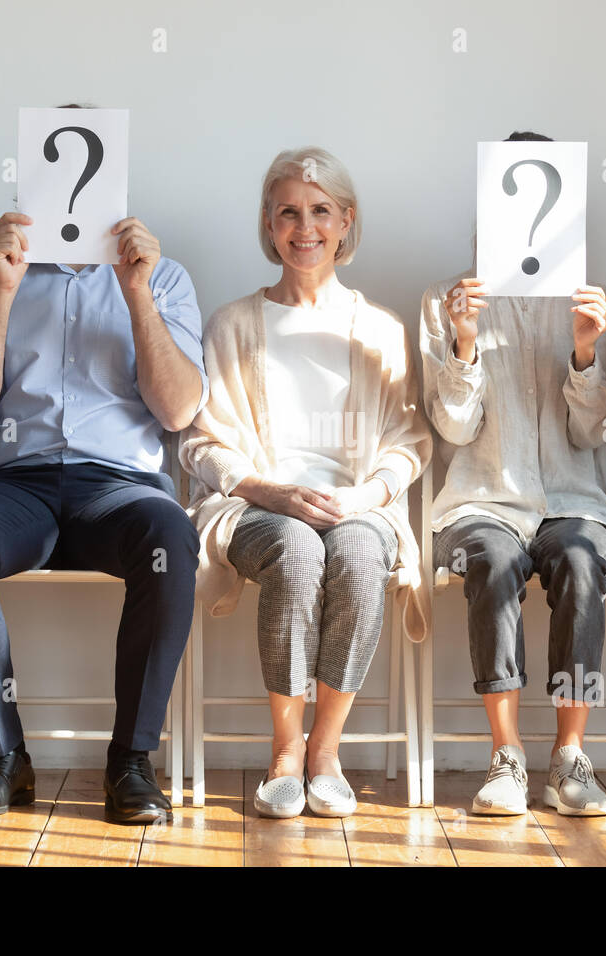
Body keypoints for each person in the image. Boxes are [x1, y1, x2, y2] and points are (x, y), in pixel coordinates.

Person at [0, 192, 206, 825]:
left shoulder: (166, 278)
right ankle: (3, 760)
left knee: (170, 538)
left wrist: (138, 293)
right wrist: (2, 291)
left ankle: (131, 761)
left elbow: (180, 411)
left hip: (118, 487)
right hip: (14, 486)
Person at [181, 146, 431, 818]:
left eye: (321, 211)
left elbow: (408, 444)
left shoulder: (380, 331)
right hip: (256, 509)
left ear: (346, 221)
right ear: (268, 224)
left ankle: (326, 749)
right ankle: (285, 750)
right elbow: (201, 445)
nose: (305, 226)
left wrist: (361, 498)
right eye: (288, 212)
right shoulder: (232, 324)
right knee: (297, 548)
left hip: (356, 507)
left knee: (354, 549)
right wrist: (272, 492)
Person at [421, 131, 606, 817]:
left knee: (581, 556)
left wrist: (585, 352)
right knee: (493, 558)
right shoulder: (446, 303)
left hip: (573, 501)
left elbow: (591, 433)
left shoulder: (591, 304)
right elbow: (452, 430)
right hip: (483, 501)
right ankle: (506, 755)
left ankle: (570, 756)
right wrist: (464, 344)